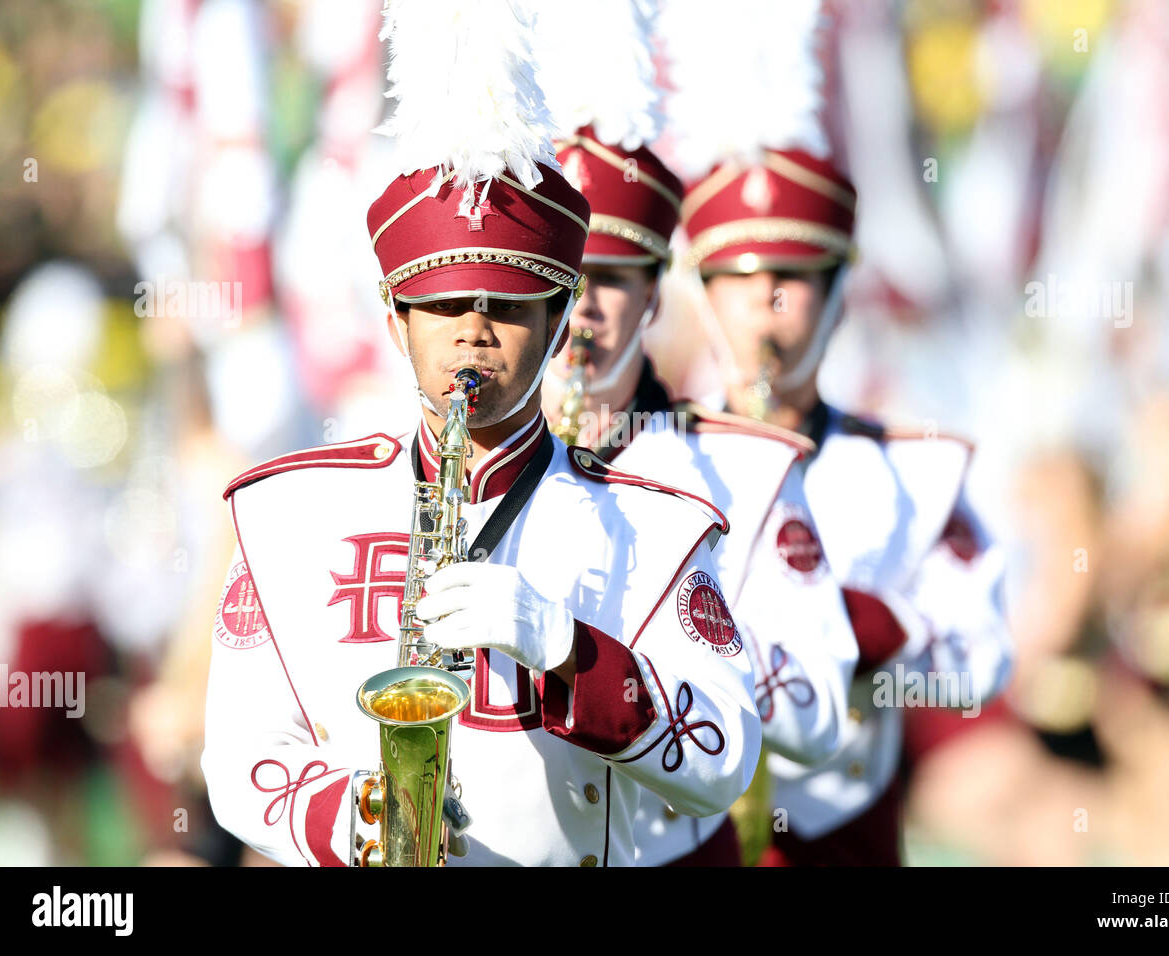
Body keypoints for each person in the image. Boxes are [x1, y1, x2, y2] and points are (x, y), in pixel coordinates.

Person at [200, 0, 760, 867]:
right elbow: (240, 754)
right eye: (445, 308)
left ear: (560, 323)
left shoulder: (660, 529)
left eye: (505, 309)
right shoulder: (290, 514)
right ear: (396, 323)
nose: (472, 332)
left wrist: (570, 647)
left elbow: (725, 757)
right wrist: (356, 816)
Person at [660, 0, 1014, 864]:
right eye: (740, 279)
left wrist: (850, 628)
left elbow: (978, 663)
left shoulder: (907, 472)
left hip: (846, 841)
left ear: (839, 289)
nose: (767, 306)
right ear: (701, 287)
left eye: (794, 277)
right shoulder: (651, 458)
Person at [529, 0, 857, 867]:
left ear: (653, 295)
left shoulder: (742, 470)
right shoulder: (474, 467)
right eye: (562, 277)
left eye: (612, 279)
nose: (584, 310)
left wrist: (692, 660)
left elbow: (822, 707)